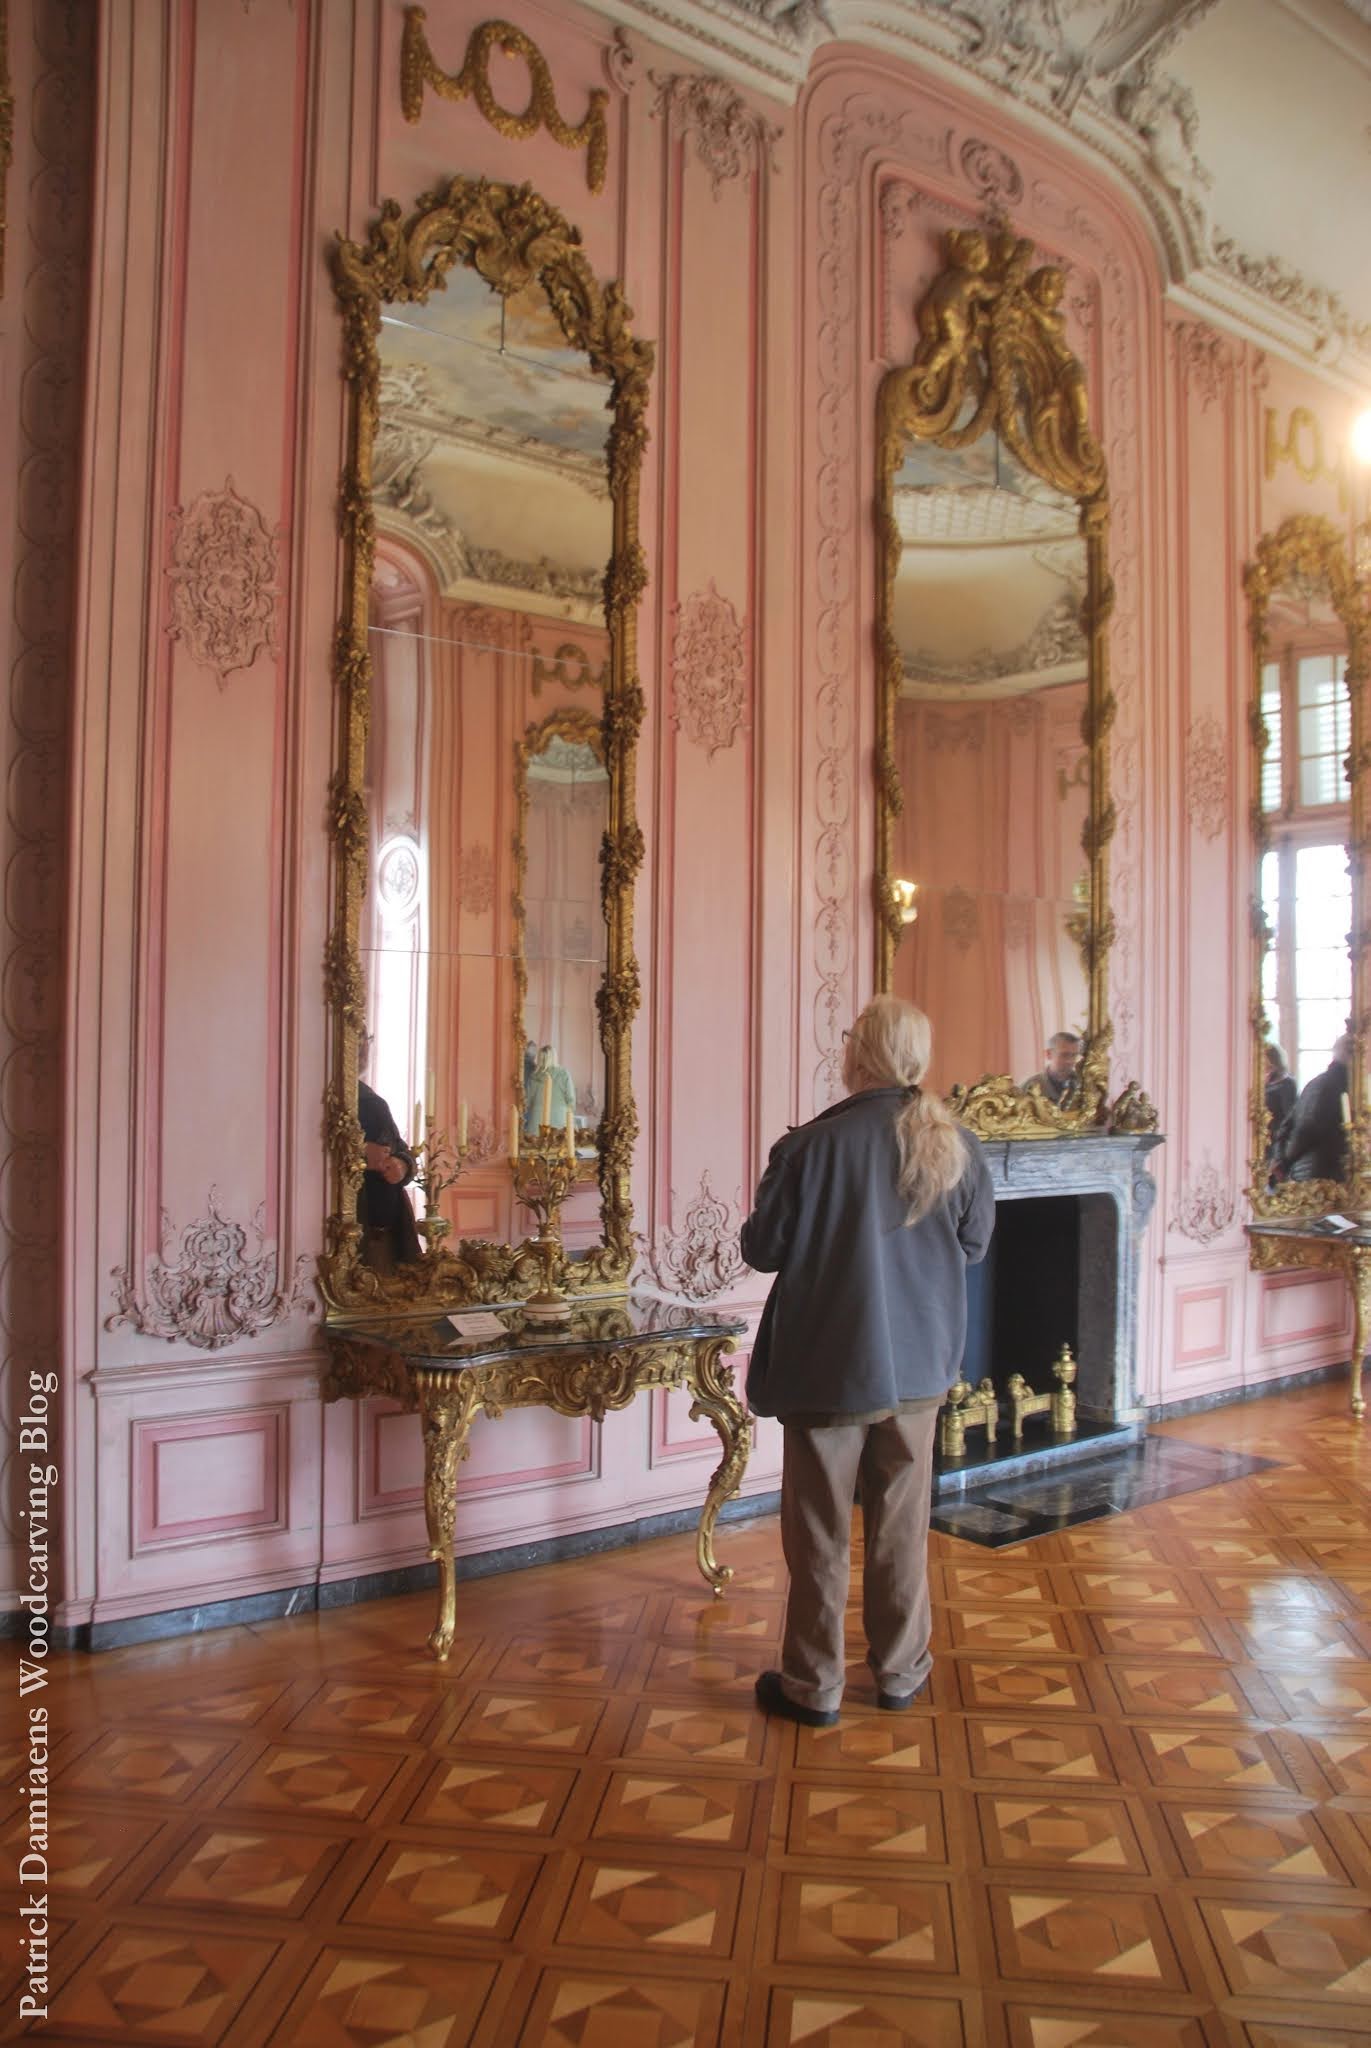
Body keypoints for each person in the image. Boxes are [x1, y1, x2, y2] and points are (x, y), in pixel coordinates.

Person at [741, 994, 995, 1727]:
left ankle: (813, 1685)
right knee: (901, 1529)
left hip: (828, 1366)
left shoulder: (811, 1147)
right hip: (921, 1366)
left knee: (820, 1533)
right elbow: (973, 1247)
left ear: (859, 1055)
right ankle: (899, 1672)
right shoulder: (958, 1144)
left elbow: (763, 1250)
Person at [357, 1044, 420, 1268]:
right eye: (357, 1043)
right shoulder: (314, 1095)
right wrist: (361, 1152)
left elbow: (401, 1149)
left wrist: (402, 1164)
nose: (363, 1053)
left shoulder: (372, 1102)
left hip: (388, 1234)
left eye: (365, 1043)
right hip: (351, 1234)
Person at [1281, 1034, 1353, 1184]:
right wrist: (1285, 1161)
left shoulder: (1318, 1083)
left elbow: (1291, 1125)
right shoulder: (1332, 1085)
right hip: (1319, 1174)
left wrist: (1284, 1160)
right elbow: (1306, 1129)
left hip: (1316, 1171)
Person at [1263, 1042, 1297, 1171]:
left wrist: (1280, 1154)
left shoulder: (1287, 1084)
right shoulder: (1266, 1082)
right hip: (1263, 1137)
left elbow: (1289, 1118)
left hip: (1276, 1140)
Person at [1024, 1031, 1082, 1105]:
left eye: (1074, 1055)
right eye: (1064, 1055)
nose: (1070, 1061)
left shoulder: (1083, 1083)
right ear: (1049, 1054)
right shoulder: (1030, 1086)